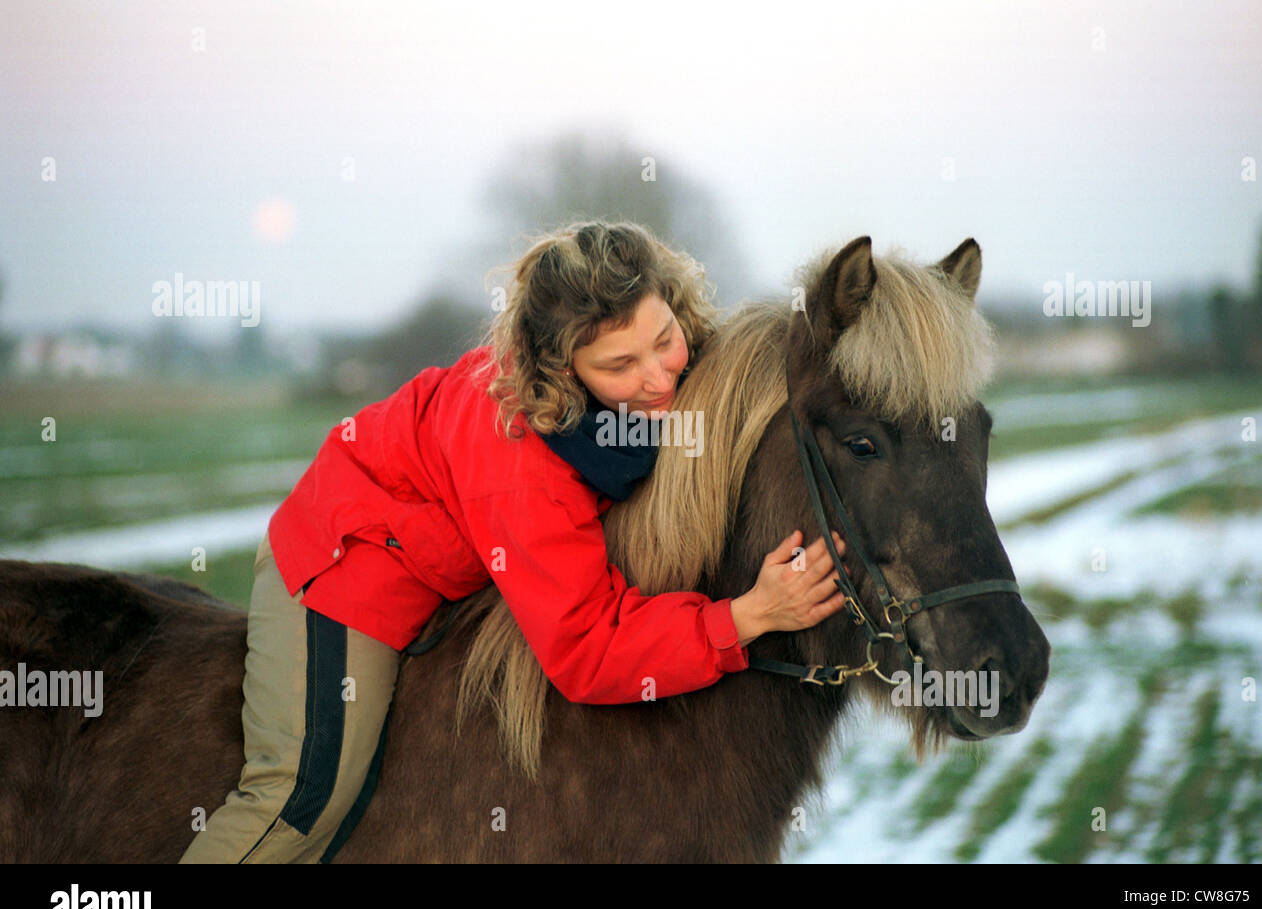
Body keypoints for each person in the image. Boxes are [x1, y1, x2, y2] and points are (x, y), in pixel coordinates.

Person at [178, 220, 846, 864]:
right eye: (620, 365)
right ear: (561, 373)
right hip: (347, 563)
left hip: (459, 555)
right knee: (305, 794)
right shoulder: (523, 466)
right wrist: (746, 617)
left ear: (675, 305)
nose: (659, 377)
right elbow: (585, 647)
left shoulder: (661, 374)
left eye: (664, 338)